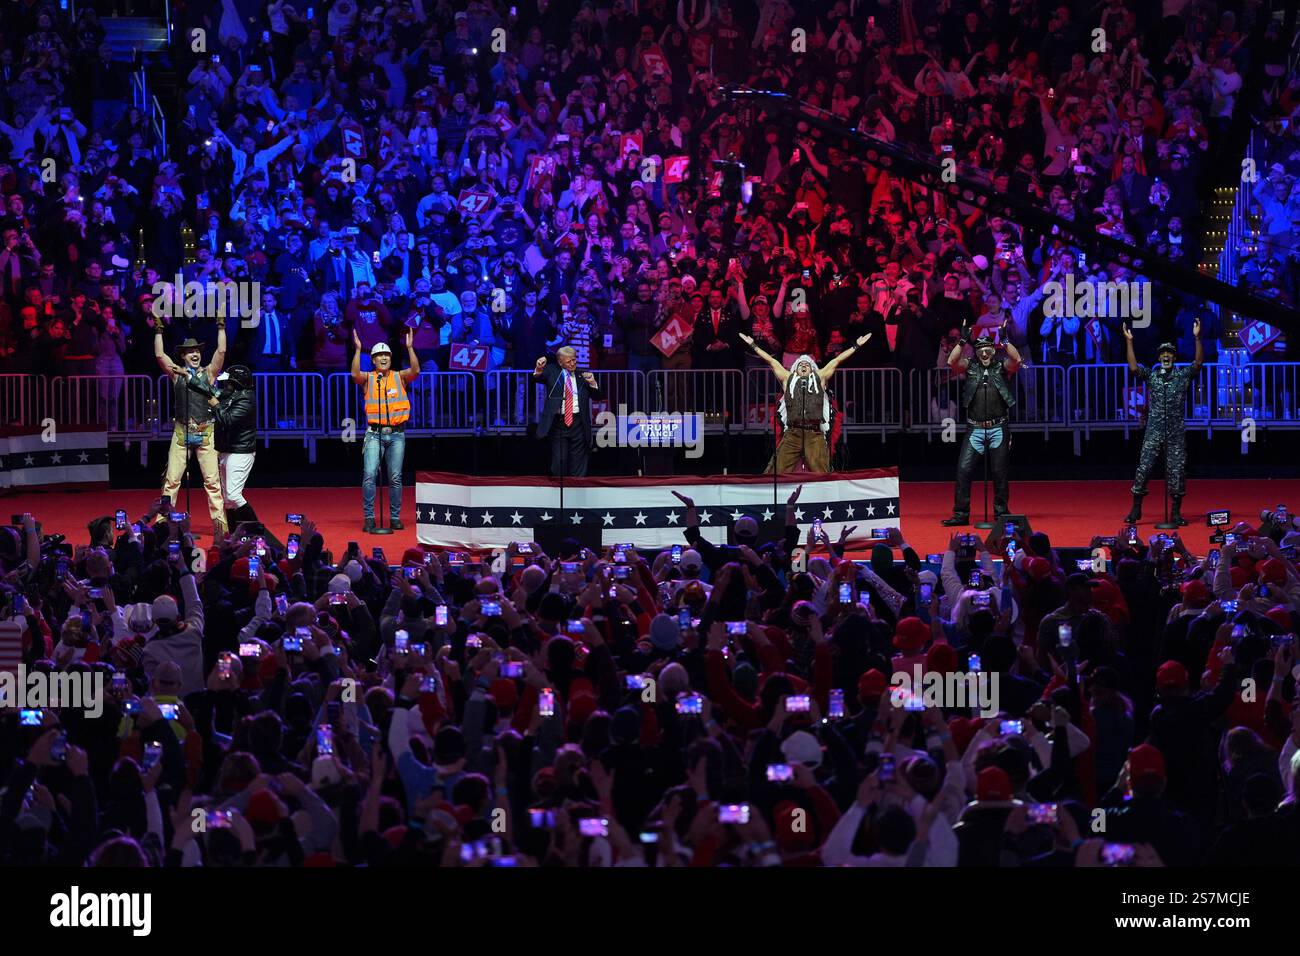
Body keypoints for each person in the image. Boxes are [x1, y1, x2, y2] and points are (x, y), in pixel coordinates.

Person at [739, 330, 872, 473]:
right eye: (800, 364)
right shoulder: (787, 378)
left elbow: (837, 360)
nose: (803, 366)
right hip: (792, 433)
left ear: (812, 369)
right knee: (776, 471)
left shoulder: (819, 378)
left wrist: (856, 346)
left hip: (814, 434)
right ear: (795, 368)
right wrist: (753, 345)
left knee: (823, 472)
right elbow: (771, 361)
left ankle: (827, 493)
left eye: (807, 365)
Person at [1122, 320, 1203, 525]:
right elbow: (1133, 368)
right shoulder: (1152, 376)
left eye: (1169, 354)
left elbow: (1198, 363)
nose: (1166, 356)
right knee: (1145, 467)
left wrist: (1197, 337)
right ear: (1159, 357)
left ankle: (1176, 513)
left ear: (1174, 357)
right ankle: (1136, 509)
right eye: (1163, 354)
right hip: (1154, 430)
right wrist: (1129, 342)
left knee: (1177, 470)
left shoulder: (1182, 375)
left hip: (1175, 431)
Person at [941, 327, 1022, 525]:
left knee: (999, 472)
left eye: (988, 350)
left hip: (998, 427)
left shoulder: (1002, 367)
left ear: (994, 351)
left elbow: (1017, 360)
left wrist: (1004, 340)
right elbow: (951, 362)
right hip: (975, 428)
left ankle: (1001, 514)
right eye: (980, 350)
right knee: (963, 470)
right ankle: (961, 514)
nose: (984, 353)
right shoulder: (969, 366)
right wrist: (962, 341)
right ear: (976, 352)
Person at [155, 328, 228, 537]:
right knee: (172, 480)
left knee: (213, 482)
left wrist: (221, 326)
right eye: (190, 352)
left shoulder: (209, 373)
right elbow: (160, 355)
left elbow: (221, 351)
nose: (195, 354)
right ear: (183, 356)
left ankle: (220, 526)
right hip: (182, 432)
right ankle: (162, 524)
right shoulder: (176, 374)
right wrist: (159, 329)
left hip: (206, 432)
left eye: (197, 351)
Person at [352, 328, 419, 532]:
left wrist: (410, 348)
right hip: (374, 434)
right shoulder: (369, 379)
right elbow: (354, 374)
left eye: (386, 355)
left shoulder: (400, 377)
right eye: (379, 355)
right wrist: (358, 349)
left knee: (396, 477)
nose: (383, 357)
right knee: (370, 475)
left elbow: (415, 371)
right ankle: (370, 517)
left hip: (397, 434)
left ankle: (395, 517)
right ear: (373, 360)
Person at [533, 345, 601, 478]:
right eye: (569, 361)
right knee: (558, 463)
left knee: (579, 464)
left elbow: (597, 396)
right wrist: (539, 368)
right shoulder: (552, 371)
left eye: (574, 360)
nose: (573, 363)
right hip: (558, 423)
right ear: (560, 362)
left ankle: (578, 493)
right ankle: (559, 495)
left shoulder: (583, 375)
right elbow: (537, 377)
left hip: (578, 423)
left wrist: (593, 383)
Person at [205, 364, 259, 529]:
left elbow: (228, 420)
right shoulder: (230, 395)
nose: (224, 386)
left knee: (234, 495)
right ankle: (235, 535)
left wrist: (214, 404)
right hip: (227, 450)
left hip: (240, 452)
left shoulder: (246, 399)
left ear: (236, 383)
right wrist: (189, 377)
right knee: (228, 500)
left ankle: (256, 530)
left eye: (228, 383)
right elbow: (209, 392)